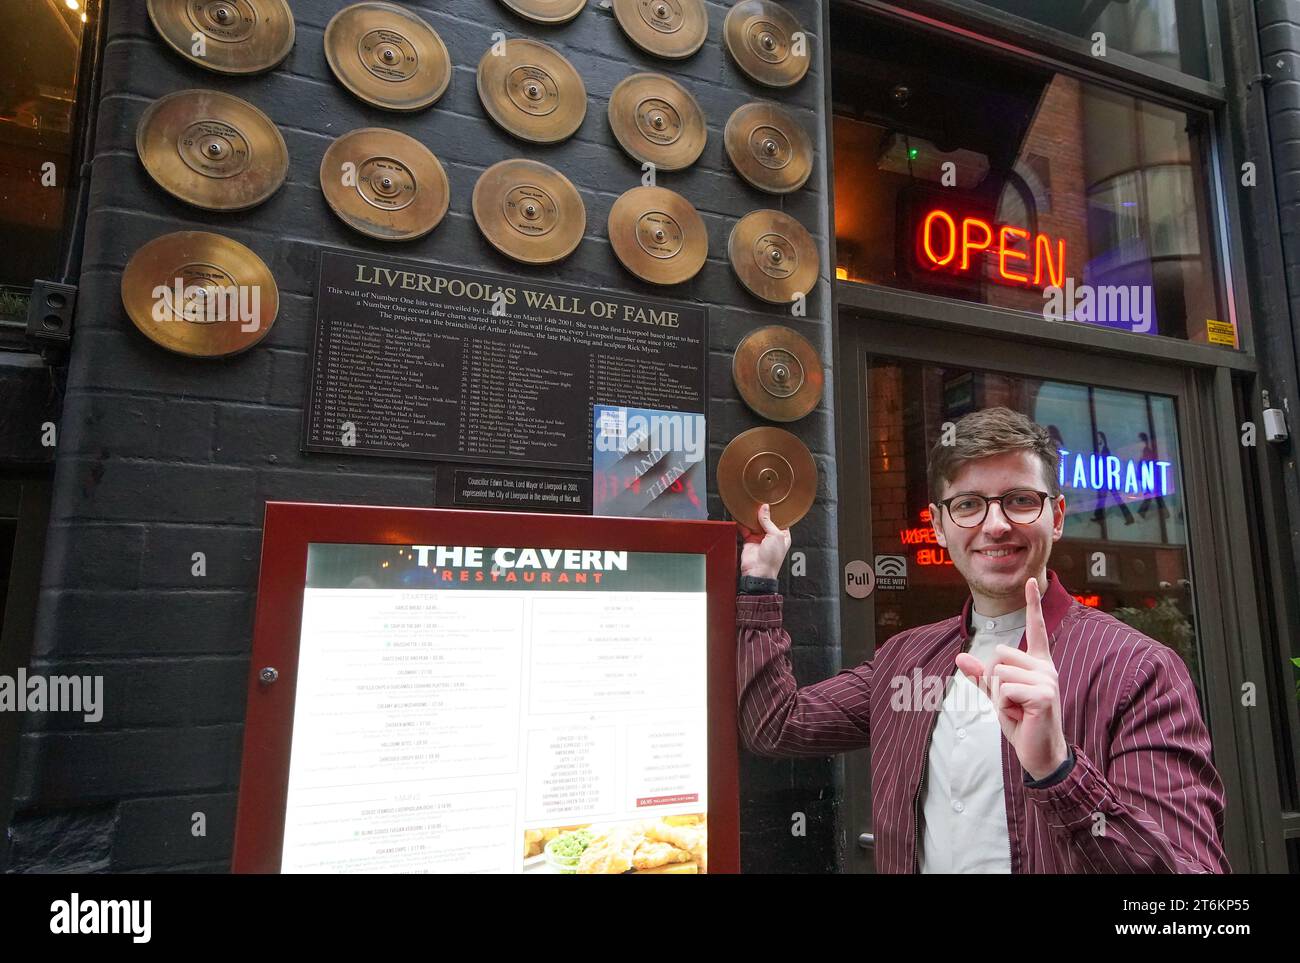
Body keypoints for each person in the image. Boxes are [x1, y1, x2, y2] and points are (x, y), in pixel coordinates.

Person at [735, 406, 1229, 873]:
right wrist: (760, 581)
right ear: (940, 526)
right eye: (968, 504)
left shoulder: (1137, 669)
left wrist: (1058, 771)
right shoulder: (905, 662)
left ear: (1055, 516)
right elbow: (775, 725)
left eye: (1019, 500)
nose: (995, 525)